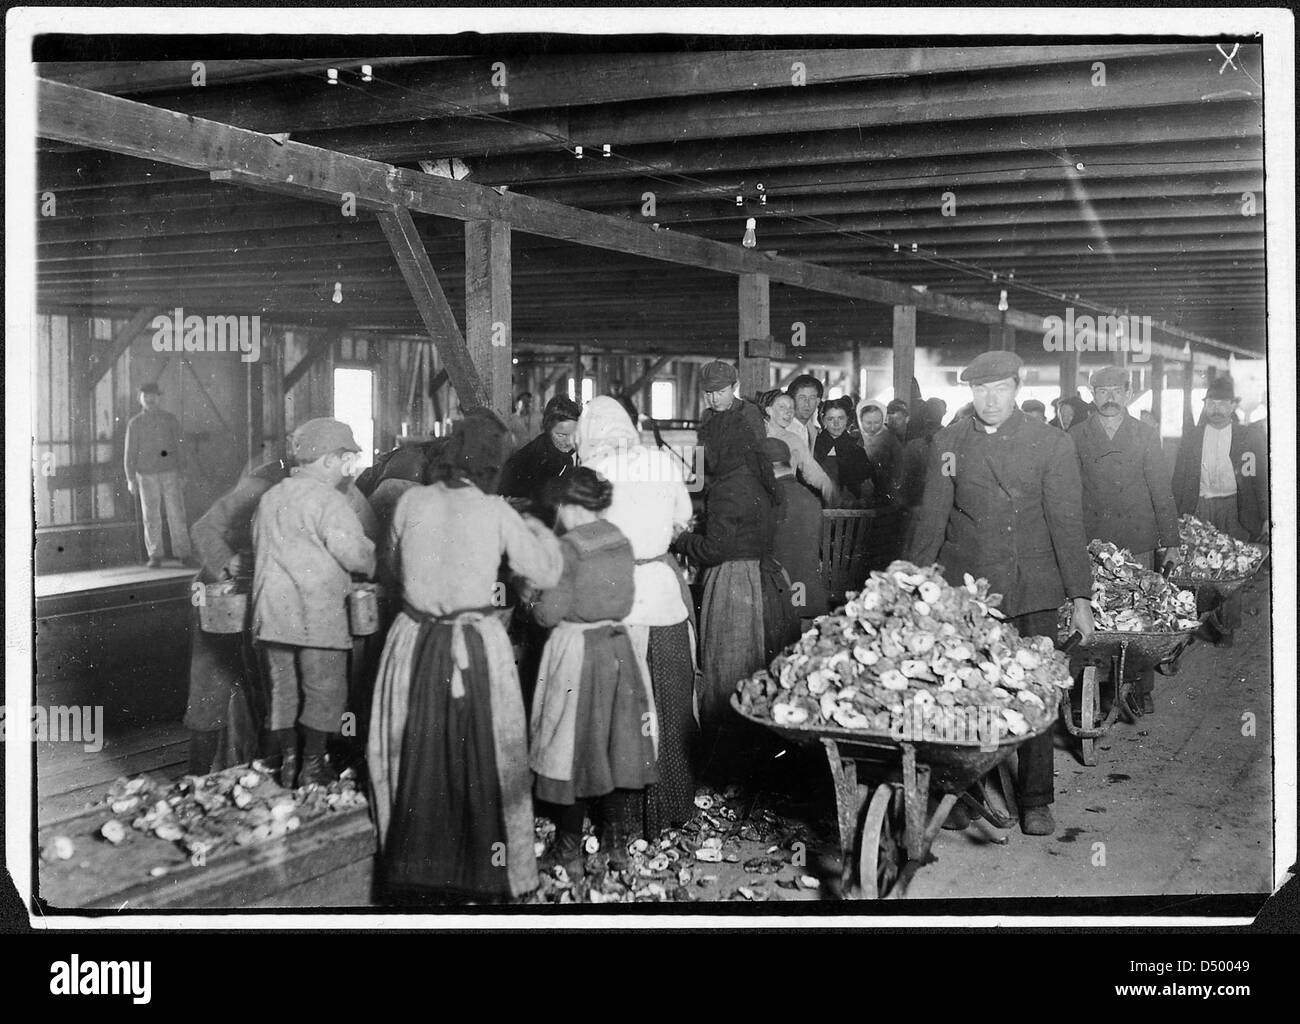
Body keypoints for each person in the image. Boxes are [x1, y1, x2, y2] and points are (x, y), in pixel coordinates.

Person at [368, 409, 564, 903]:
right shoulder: (496, 511)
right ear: (493, 465)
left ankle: (414, 870)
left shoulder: (411, 499)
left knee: (415, 749)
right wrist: (535, 527)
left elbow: (389, 567)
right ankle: (486, 870)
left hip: (413, 641)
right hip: (476, 644)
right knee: (483, 754)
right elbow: (544, 572)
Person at [905, 350, 1094, 837]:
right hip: (968, 587)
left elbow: (1067, 523)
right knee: (969, 690)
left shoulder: (1051, 444)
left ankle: (1035, 799)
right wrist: (911, 580)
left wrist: (1079, 595)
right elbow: (932, 516)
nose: (990, 400)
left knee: (1035, 693)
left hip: (1033, 586)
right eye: (980, 390)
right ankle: (966, 791)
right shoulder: (948, 441)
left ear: (1017, 386)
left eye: (1000, 388)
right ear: (970, 393)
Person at [575, 397, 698, 840]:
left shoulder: (591, 474)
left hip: (615, 600)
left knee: (624, 712)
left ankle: (624, 821)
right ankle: (672, 808)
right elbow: (684, 519)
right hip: (664, 595)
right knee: (669, 704)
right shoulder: (661, 462)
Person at [529, 468, 658, 877]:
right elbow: (626, 597)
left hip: (576, 653)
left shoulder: (566, 548)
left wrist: (530, 597)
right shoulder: (620, 539)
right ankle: (616, 845)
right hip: (618, 648)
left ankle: (567, 848)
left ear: (570, 506)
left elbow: (548, 613)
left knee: (572, 750)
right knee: (615, 746)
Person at [252, 419, 377, 789]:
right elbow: (354, 554)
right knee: (324, 689)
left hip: (272, 617)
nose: (348, 469)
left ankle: (288, 762)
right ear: (326, 460)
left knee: (283, 689)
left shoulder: (270, 497)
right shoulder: (329, 500)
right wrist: (375, 561)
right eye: (346, 460)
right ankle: (312, 765)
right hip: (317, 617)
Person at [671, 412, 790, 779]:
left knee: (726, 676)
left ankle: (726, 769)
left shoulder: (728, 487)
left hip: (734, 584)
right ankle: (755, 767)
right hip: (764, 580)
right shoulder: (762, 477)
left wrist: (680, 539)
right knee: (754, 674)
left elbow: (714, 550)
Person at [1070, 366, 1183, 712]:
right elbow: (1068, 492)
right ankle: (1096, 687)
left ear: (1128, 395)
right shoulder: (1075, 435)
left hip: (1138, 539)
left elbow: (1161, 490)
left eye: (1116, 390)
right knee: (1098, 612)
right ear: (1091, 395)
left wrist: (1172, 541)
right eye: (1101, 391)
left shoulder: (1145, 434)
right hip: (1094, 541)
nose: (1109, 398)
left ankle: (1141, 686)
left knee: (1141, 613)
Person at [1170, 374, 1269, 646]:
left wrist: (1264, 516)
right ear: (1205, 405)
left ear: (1233, 405)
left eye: (1222, 403)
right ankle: (1190, 626)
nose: (1216, 409)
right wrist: (1175, 516)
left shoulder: (1248, 436)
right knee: (1192, 568)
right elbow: (1179, 478)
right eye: (1211, 402)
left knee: (1231, 572)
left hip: (1235, 508)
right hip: (1199, 507)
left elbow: (1259, 479)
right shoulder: (1192, 436)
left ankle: (1227, 628)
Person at [124, 382, 194, 568]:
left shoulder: (170, 419)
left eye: (153, 395)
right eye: (146, 396)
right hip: (145, 475)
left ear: (159, 398)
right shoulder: (134, 424)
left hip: (170, 473)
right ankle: (155, 555)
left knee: (176, 514)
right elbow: (129, 453)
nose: (150, 399)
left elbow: (180, 447)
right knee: (150, 516)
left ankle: (184, 554)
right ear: (140, 399)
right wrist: (130, 479)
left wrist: (183, 470)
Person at [765, 437, 828, 627]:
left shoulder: (770, 499)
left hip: (778, 599)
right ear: (789, 461)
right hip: (809, 597)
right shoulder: (811, 497)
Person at [498, 394, 582, 513]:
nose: (569, 441)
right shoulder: (534, 458)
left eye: (573, 434)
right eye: (561, 435)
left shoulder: (575, 450)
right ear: (547, 429)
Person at [760, 389, 836, 505]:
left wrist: (829, 493)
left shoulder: (793, 440)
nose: (788, 412)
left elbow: (814, 473)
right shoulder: (756, 435)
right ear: (769, 410)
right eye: (782, 407)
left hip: (784, 501)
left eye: (791, 408)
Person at [814, 398, 877, 506]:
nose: (836, 423)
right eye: (830, 419)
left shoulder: (858, 451)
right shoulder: (812, 447)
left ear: (847, 419)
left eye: (841, 418)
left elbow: (867, 489)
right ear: (823, 420)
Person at [698, 360, 766, 443]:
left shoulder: (748, 412)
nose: (714, 399)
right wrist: (698, 456)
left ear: (735, 386)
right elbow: (701, 445)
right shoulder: (707, 415)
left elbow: (759, 448)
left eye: (721, 392)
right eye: (709, 393)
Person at [856, 399, 903, 505]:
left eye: (877, 423)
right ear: (860, 421)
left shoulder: (891, 440)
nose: (873, 428)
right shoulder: (854, 439)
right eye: (868, 423)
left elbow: (899, 469)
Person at [786, 374, 825, 450]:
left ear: (817, 402)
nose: (807, 403)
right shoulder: (782, 430)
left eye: (812, 398)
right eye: (802, 397)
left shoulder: (813, 432)